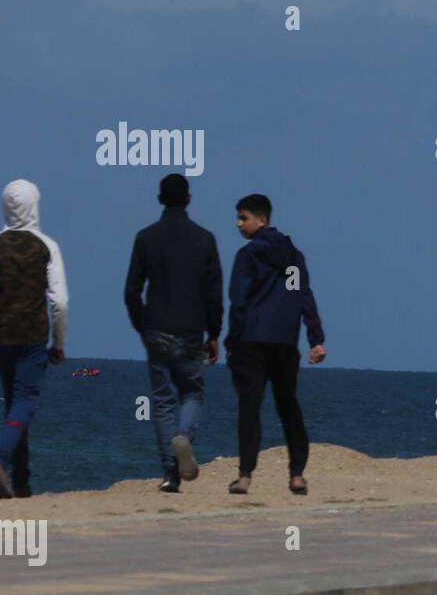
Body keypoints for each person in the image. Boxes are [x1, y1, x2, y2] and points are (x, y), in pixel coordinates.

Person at [0, 180, 69, 498]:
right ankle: (0, 459)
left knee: (14, 403)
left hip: (0, 335)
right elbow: (59, 301)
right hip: (33, 335)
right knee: (25, 401)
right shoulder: (46, 247)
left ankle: (21, 481)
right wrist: (59, 343)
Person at [124, 174, 223, 492]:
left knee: (163, 400)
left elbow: (131, 292)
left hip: (156, 326)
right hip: (191, 327)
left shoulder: (145, 237)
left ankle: (170, 473)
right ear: (189, 199)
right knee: (192, 392)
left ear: (159, 199)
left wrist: (142, 326)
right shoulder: (205, 239)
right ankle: (185, 437)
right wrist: (214, 332)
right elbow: (214, 293)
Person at [225, 193, 326, 495]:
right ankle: (297, 474)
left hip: (252, 340)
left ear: (262, 219)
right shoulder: (294, 257)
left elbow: (238, 301)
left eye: (244, 217)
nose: (238, 223)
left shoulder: (248, 256)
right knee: (288, 406)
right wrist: (316, 338)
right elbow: (303, 296)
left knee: (250, 408)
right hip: (284, 340)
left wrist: (230, 340)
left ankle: (244, 477)